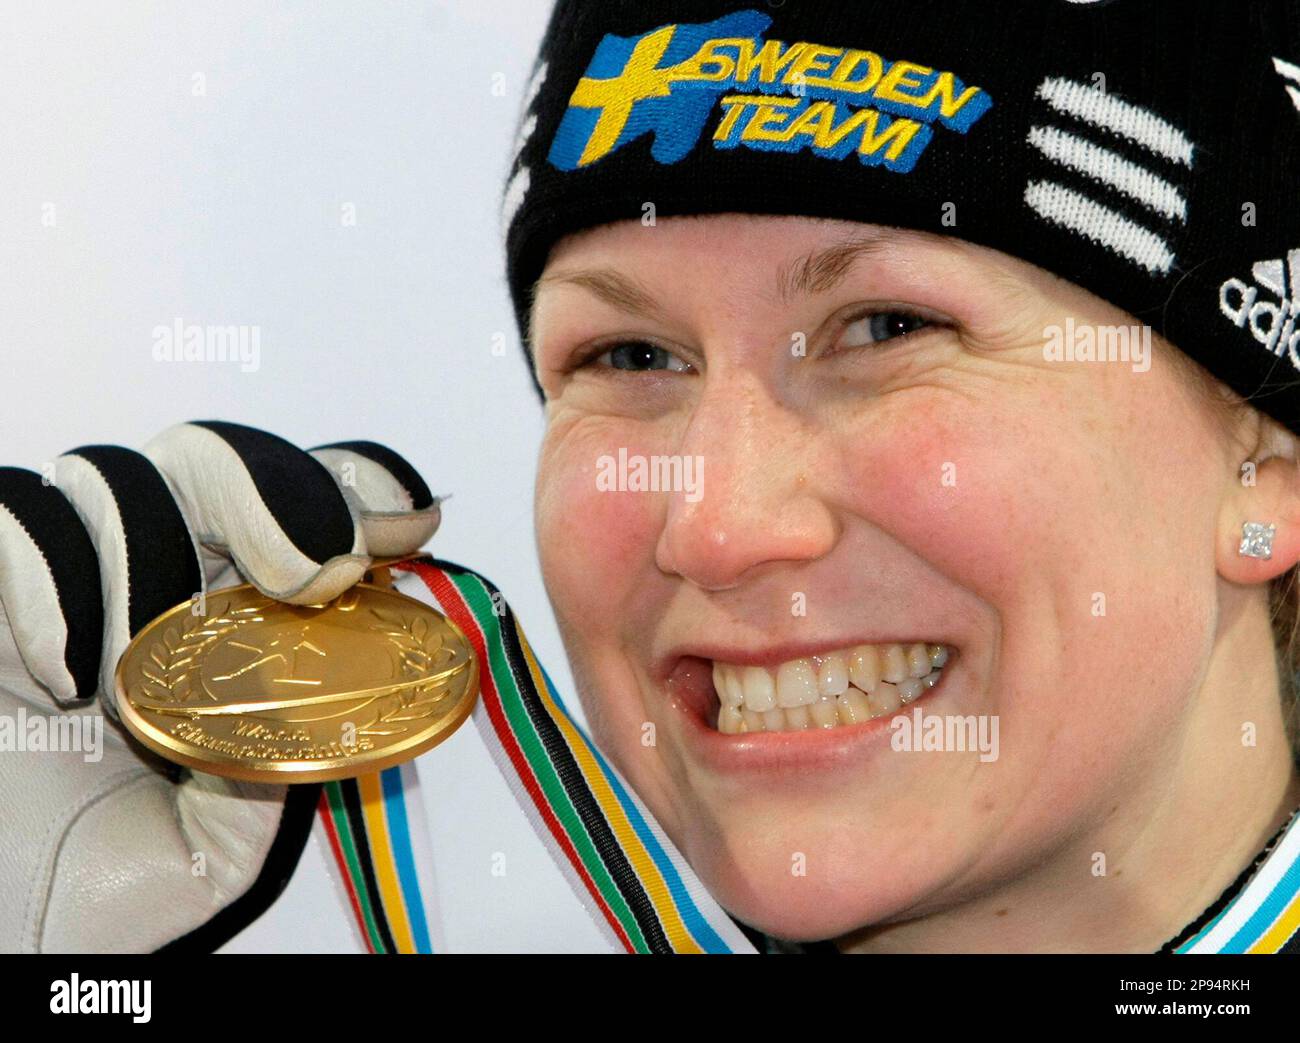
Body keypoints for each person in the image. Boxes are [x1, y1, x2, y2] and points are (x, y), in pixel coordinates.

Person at [4, 0, 1300, 953]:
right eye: (630, 354)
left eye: (889, 330)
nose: (720, 528)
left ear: (1271, 468)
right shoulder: (357, 905)